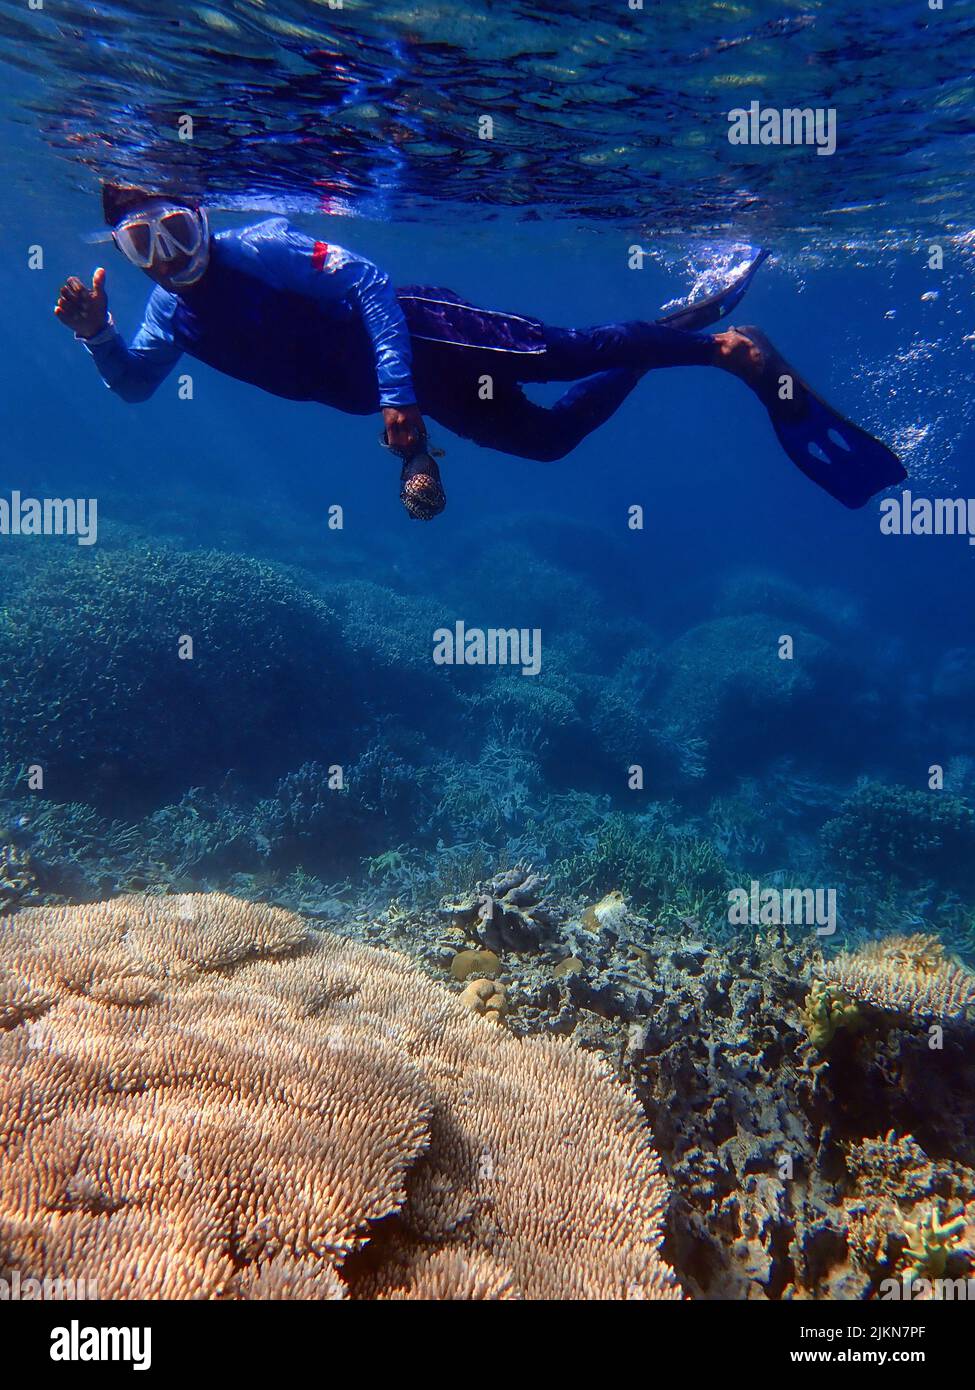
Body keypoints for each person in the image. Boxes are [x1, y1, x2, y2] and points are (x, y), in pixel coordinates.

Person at [55, 183, 905, 519]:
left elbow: (371, 287)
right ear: (128, 258)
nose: (168, 255)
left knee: (567, 353)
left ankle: (722, 350)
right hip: (407, 393)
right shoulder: (168, 317)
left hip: (428, 331)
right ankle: (681, 338)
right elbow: (132, 386)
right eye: (144, 246)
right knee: (546, 441)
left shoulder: (258, 248)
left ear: (200, 216)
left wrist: (397, 399)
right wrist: (97, 336)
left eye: (176, 229)